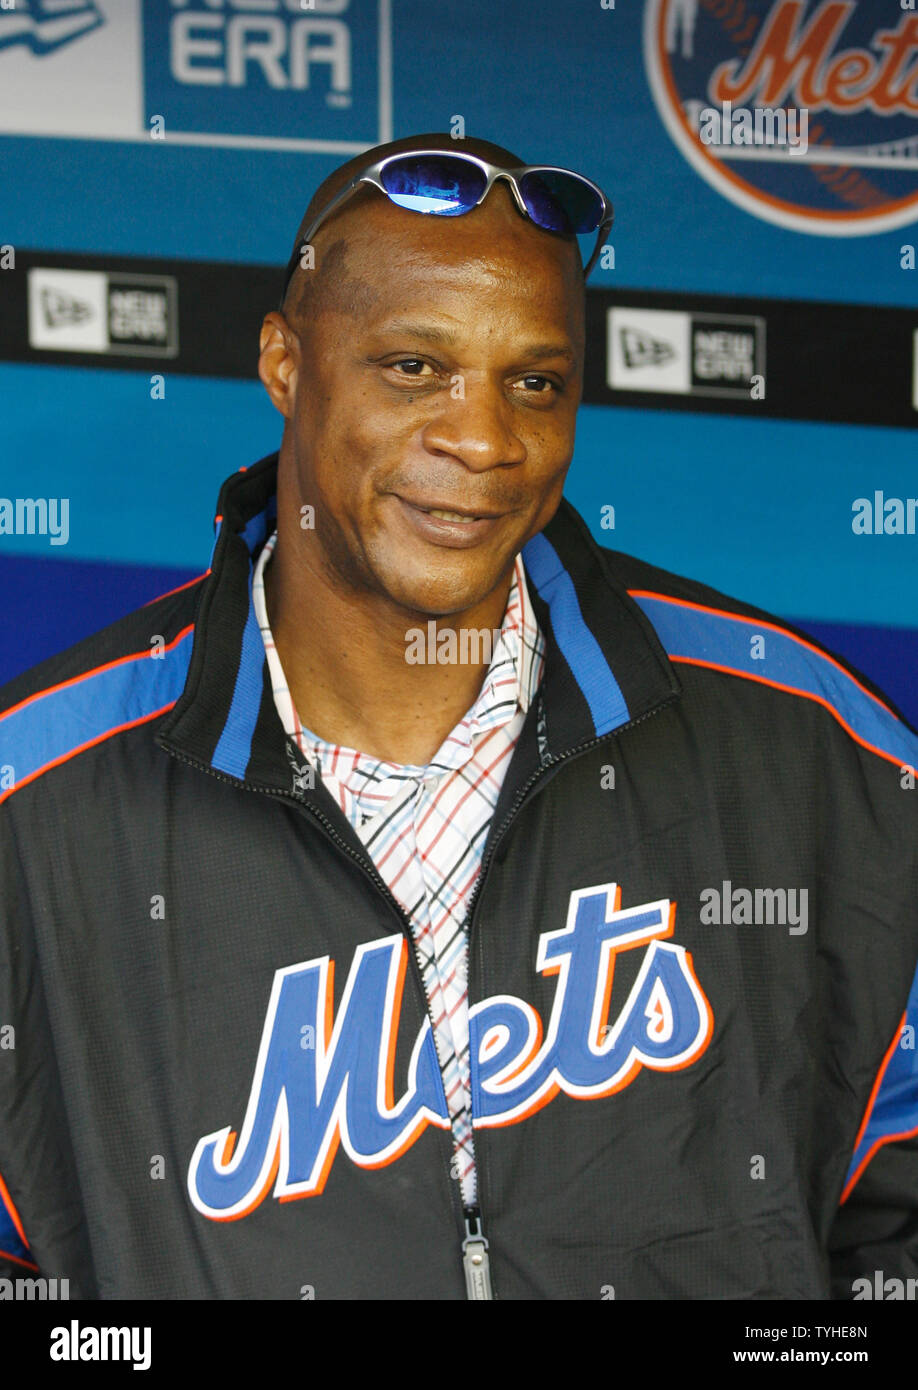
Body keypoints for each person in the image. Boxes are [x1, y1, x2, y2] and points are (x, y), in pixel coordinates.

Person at [0, 131, 916, 1301]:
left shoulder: (807, 741)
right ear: (286, 362)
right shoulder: (39, 797)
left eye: (533, 381)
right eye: (415, 368)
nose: (482, 438)